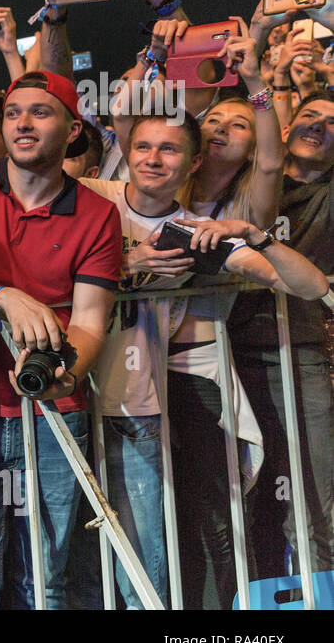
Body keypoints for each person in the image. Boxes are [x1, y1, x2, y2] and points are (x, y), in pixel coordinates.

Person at [79, 114, 327, 609]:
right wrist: (124, 265)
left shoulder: (195, 233)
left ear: (193, 162)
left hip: (159, 385)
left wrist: (255, 237)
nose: (152, 159)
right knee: (85, 526)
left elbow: (310, 286)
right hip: (76, 384)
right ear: (126, 151)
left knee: (198, 519)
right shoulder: (89, 197)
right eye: (143, 146)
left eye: (168, 150)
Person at [0, 69, 123, 609]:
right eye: (14, 112)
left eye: (40, 112)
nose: (22, 123)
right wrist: (0, 294)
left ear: (72, 130)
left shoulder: (96, 215)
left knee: (45, 577)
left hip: (54, 413)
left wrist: (66, 375)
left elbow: (89, 323)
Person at [230, 87, 334, 584]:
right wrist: (255, 79)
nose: (318, 125)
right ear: (284, 128)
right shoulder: (245, 182)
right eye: (309, 115)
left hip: (300, 354)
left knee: (314, 490)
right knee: (241, 494)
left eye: (333, 122)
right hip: (224, 353)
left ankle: (321, 593)